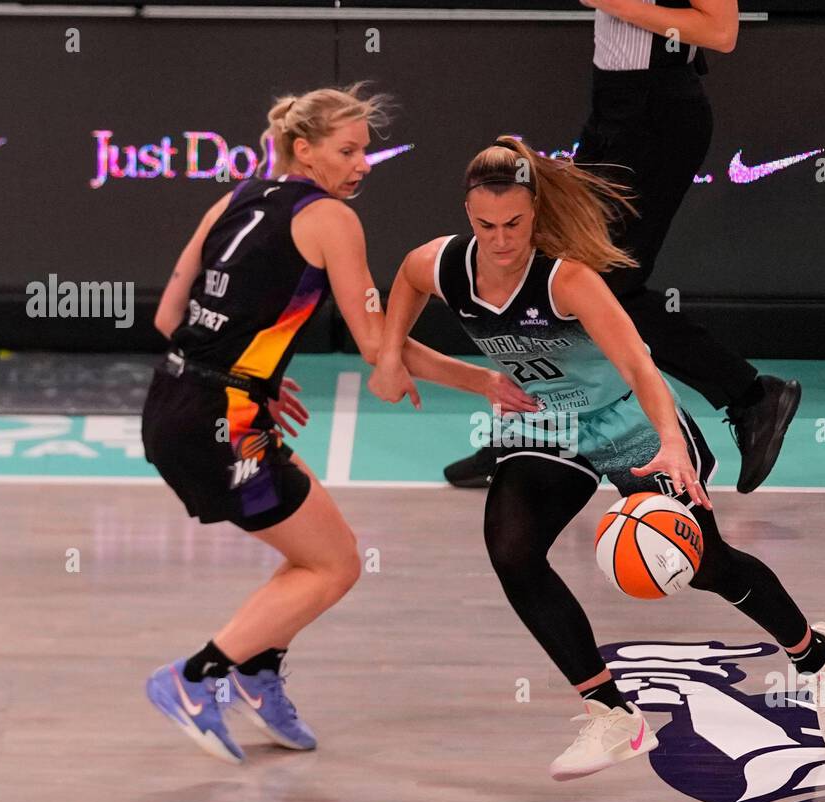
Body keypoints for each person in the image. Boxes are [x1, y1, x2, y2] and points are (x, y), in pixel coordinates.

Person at [370, 137, 825, 780]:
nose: (500, 240)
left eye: (515, 225)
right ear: (468, 214)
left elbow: (638, 361)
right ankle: (613, 716)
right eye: (486, 225)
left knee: (705, 566)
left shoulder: (566, 279)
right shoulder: (438, 265)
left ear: (536, 212)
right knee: (513, 552)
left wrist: (669, 441)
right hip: (547, 423)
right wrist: (405, 359)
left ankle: (817, 657)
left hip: (632, 421)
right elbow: (405, 292)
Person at [141, 86, 534, 764]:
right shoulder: (330, 220)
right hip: (220, 421)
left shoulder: (233, 199)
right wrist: (483, 380)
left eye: (366, 151)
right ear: (304, 150)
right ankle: (195, 678)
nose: (364, 164)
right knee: (334, 564)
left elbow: (169, 317)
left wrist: (256, 376)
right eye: (348, 151)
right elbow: (379, 343)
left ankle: (259, 674)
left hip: (174, 404)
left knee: (320, 553)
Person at [443, 0, 801, 491]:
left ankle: (752, 395)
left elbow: (720, 32)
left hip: (656, 114)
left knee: (606, 290)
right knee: (548, 267)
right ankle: (539, 430)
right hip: (614, 103)